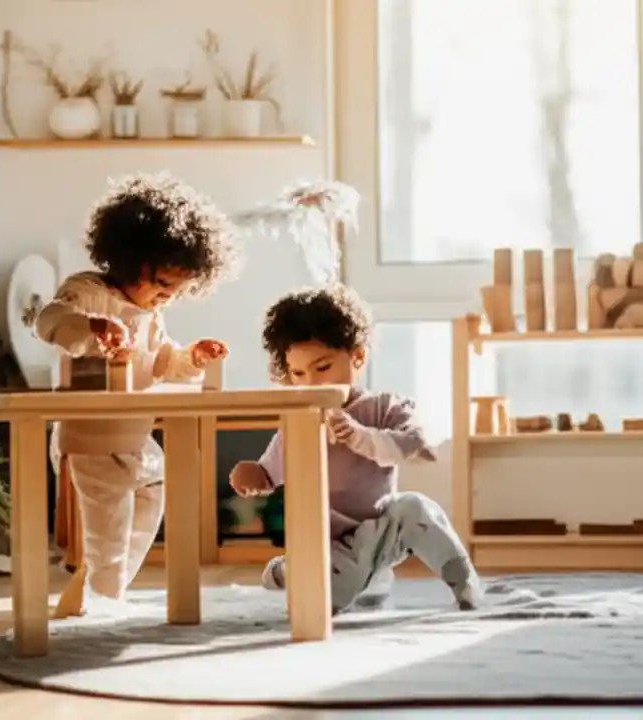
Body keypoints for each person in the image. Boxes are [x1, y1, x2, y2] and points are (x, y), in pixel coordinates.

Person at [36, 172, 238, 608]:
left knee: (151, 496)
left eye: (175, 292)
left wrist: (193, 357)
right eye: (162, 284)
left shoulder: (151, 314)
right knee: (109, 527)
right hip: (92, 436)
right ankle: (102, 599)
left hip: (133, 434)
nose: (165, 297)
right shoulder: (88, 292)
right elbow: (49, 320)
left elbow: (162, 360)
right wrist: (91, 325)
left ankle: (99, 591)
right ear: (129, 259)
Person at [229, 284, 481, 613]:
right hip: (329, 543)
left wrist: (359, 435)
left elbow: (411, 442)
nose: (311, 384)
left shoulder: (383, 406)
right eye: (298, 374)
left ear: (357, 356)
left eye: (323, 368)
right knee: (325, 601)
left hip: (383, 526)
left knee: (417, 508)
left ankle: (465, 584)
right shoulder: (299, 421)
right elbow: (269, 474)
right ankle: (288, 571)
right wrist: (252, 475)